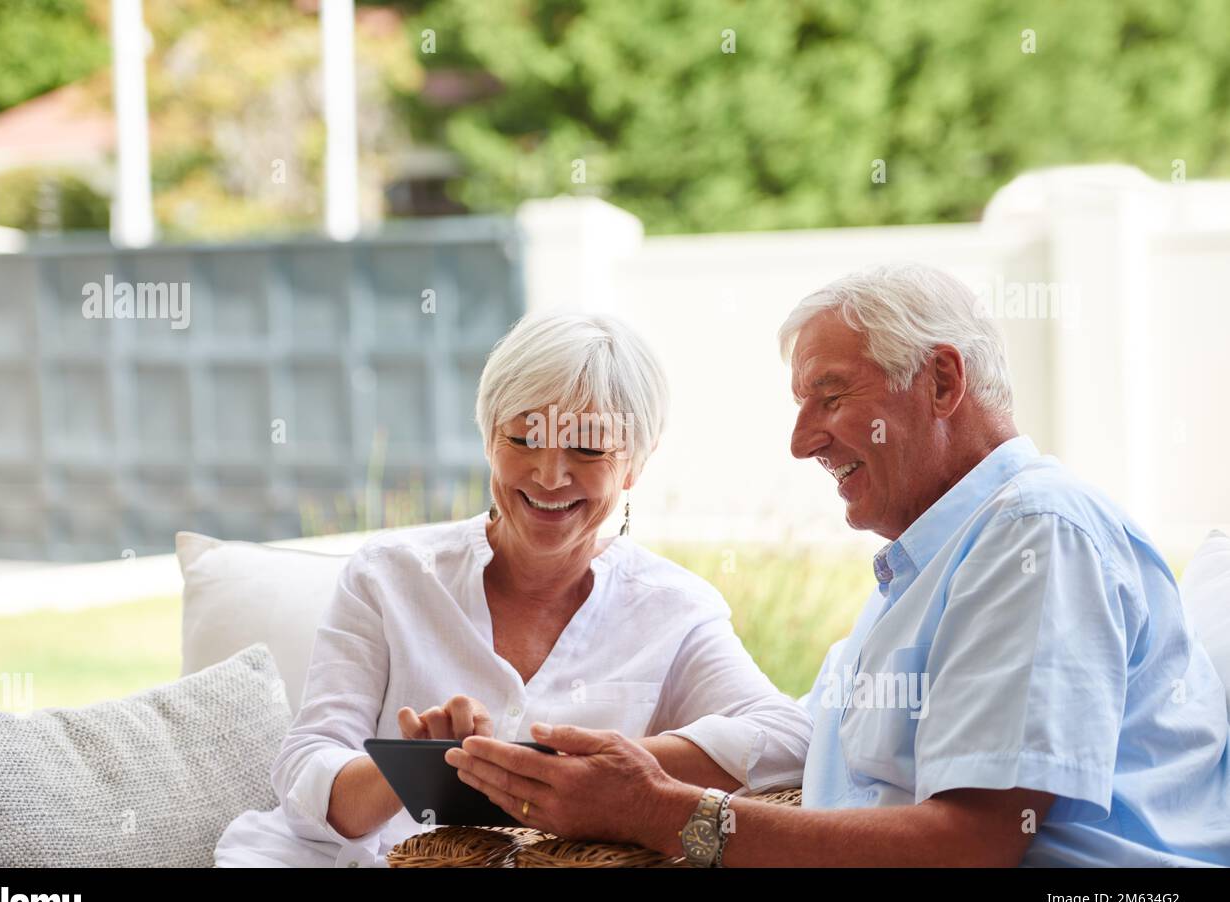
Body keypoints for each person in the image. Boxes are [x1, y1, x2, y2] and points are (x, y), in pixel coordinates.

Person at [449, 263, 1230, 867]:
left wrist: (661, 811)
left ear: (943, 381)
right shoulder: (930, 563)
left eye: (829, 396)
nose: (801, 440)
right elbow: (794, 733)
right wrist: (545, 769)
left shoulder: (1032, 536)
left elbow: (974, 844)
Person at [214, 308, 811, 866]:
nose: (549, 475)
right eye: (523, 438)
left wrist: (610, 772)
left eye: (586, 446)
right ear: (487, 439)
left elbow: (791, 737)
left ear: (635, 460)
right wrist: (415, 767)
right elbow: (304, 772)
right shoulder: (389, 575)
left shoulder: (674, 608)